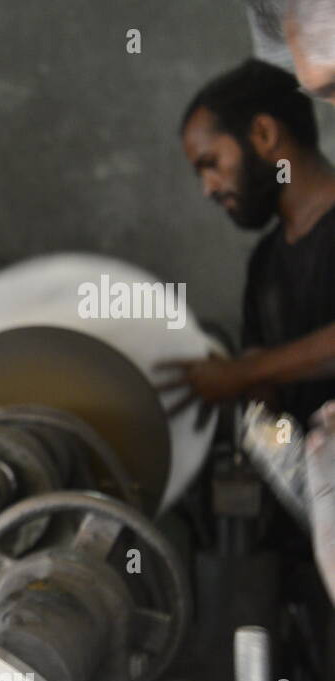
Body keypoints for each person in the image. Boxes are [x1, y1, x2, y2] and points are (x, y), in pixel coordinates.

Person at [163, 59, 335, 429]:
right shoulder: (265, 263)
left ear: (264, 134)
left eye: (211, 163)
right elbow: (262, 389)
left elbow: (251, 370)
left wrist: (239, 373)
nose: (207, 188)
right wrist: (270, 438)